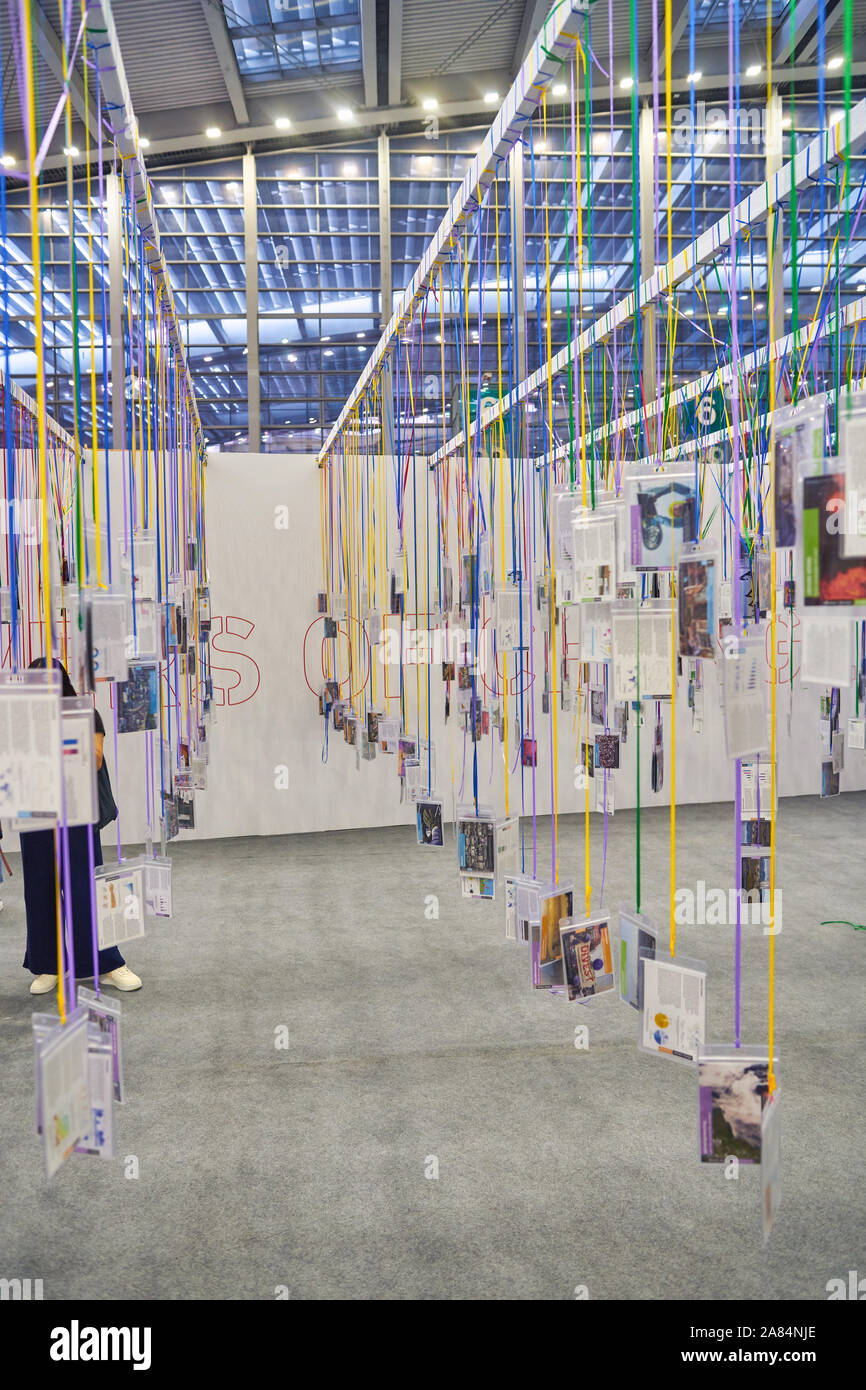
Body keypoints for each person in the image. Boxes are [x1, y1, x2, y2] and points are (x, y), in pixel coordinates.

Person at [22, 657, 142, 995]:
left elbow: (96, 757)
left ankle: (109, 964)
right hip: (35, 813)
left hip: (76, 813)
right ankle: (48, 965)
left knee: (87, 888)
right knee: (40, 890)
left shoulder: (84, 714)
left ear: (62, 681)